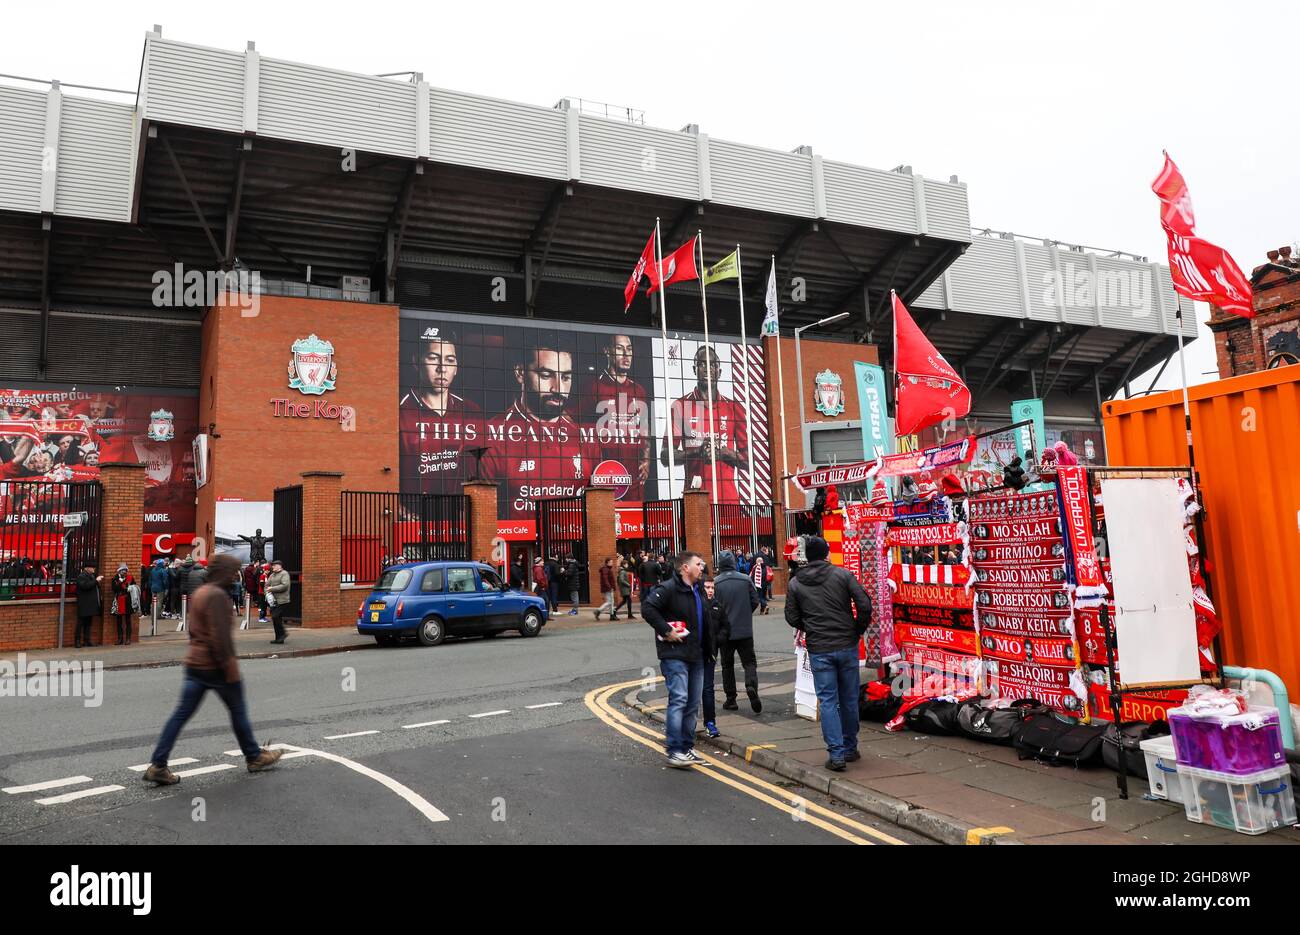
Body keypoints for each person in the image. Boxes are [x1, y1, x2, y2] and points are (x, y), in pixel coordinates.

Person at [142, 553, 283, 785]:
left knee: (180, 715)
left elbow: (195, 630)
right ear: (224, 573)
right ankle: (254, 756)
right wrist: (230, 667)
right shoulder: (217, 596)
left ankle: (158, 764)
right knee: (238, 709)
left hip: (195, 664)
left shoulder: (200, 593)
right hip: (215, 667)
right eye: (232, 572)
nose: (234, 576)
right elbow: (220, 638)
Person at [479, 342, 601, 520]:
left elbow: (598, 508)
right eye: (546, 375)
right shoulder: (491, 437)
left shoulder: (585, 438)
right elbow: (482, 517)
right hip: (519, 545)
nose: (558, 388)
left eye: (566, 378)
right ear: (520, 373)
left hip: (575, 545)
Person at [785, 536, 872, 772]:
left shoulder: (795, 582)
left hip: (819, 648)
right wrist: (857, 629)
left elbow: (791, 617)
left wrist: (810, 625)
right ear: (826, 554)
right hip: (846, 644)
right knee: (849, 697)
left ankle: (836, 755)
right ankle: (850, 748)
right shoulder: (843, 575)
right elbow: (864, 603)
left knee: (827, 701)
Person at [641, 551, 714, 769]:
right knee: (680, 699)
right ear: (685, 568)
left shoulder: (697, 589)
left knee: (692, 704)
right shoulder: (668, 588)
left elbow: (706, 620)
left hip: (697, 654)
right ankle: (674, 751)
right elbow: (648, 608)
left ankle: (686, 747)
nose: (702, 568)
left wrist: (711, 648)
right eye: (698, 564)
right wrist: (665, 629)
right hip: (675, 654)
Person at [399, 327, 485, 495]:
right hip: (416, 516)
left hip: (461, 512)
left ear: (456, 367)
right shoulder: (400, 412)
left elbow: (482, 468)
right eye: (433, 358)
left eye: (450, 360)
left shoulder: (471, 411)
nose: (442, 368)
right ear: (417, 362)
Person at [660, 345, 750, 502]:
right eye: (702, 364)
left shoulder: (734, 408)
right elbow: (665, 457)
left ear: (719, 372)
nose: (707, 369)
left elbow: (748, 461)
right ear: (695, 369)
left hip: (728, 501)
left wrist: (724, 453)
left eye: (712, 365)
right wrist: (697, 452)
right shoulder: (680, 406)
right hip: (695, 500)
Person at [578, 333, 652, 501]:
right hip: (604, 479)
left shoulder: (639, 391)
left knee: (635, 525)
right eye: (620, 348)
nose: (626, 355)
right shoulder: (593, 387)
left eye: (629, 349)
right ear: (607, 351)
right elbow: (574, 425)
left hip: (633, 481)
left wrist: (647, 459)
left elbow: (645, 429)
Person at [714, 550, 762, 714]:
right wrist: (745, 614)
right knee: (749, 663)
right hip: (745, 630)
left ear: (719, 565)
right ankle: (750, 685)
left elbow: (712, 608)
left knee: (727, 666)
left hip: (725, 632)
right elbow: (755, 601)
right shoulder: (745, 579)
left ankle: (731, 699)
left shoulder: (716, 583)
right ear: (734, 562)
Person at [700, 577, 724, 738]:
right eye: (707, 587)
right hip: (693, 655)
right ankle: (685, 725)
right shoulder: (696, 605)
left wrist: (717, 642)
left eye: (712, 588)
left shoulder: (717, 606)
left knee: (708, 689)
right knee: (691, 690)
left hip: (710, 654)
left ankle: (710, 723)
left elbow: (725, 628)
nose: (710, 590)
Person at [74, 563, 102, 648]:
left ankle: (87, 640)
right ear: (87, 568)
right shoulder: (81, 576)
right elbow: (85, 586)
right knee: (80, 623)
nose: (94, 569)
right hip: (84, 604)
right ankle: (77, 641)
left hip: (90, 604)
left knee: (88, 623)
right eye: (92, 567)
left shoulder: (91, 576)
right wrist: (96, 581)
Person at [264, 558, 290, 644]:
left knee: (275, 616)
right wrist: (267, 593)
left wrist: (272, 589)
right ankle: (279, 638)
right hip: (273, 601)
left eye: (274, 565)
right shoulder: (272, 575)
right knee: (276, 619)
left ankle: (283, 633)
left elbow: (285, 585)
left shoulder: (284, 574)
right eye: (272, 565)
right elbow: (266, 585)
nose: (272, 567)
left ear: (279, 566)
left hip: (283, 601)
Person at [110, 563, 134, 645]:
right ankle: (120, 638)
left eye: (125, 570)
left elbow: (134, 588)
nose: (124, 572)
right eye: (122, 570)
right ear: (119, 571)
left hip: (127, 601)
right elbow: (114, 589)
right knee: (119, 621)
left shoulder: (130, 578)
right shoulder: (115, 579)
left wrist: (131, 588)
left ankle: (128, 639)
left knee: (128, 621)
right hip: (119, 600)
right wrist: (120, 582)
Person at [750, 549, 769, 615]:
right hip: (765, 584)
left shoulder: (756, 567)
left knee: (759, 597)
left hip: (758, 585)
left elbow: (752, 577)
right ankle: (762, 610)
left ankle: (765, 605)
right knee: (763, 596)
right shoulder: (765, 567)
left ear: (757, 561)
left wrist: (751, 584)